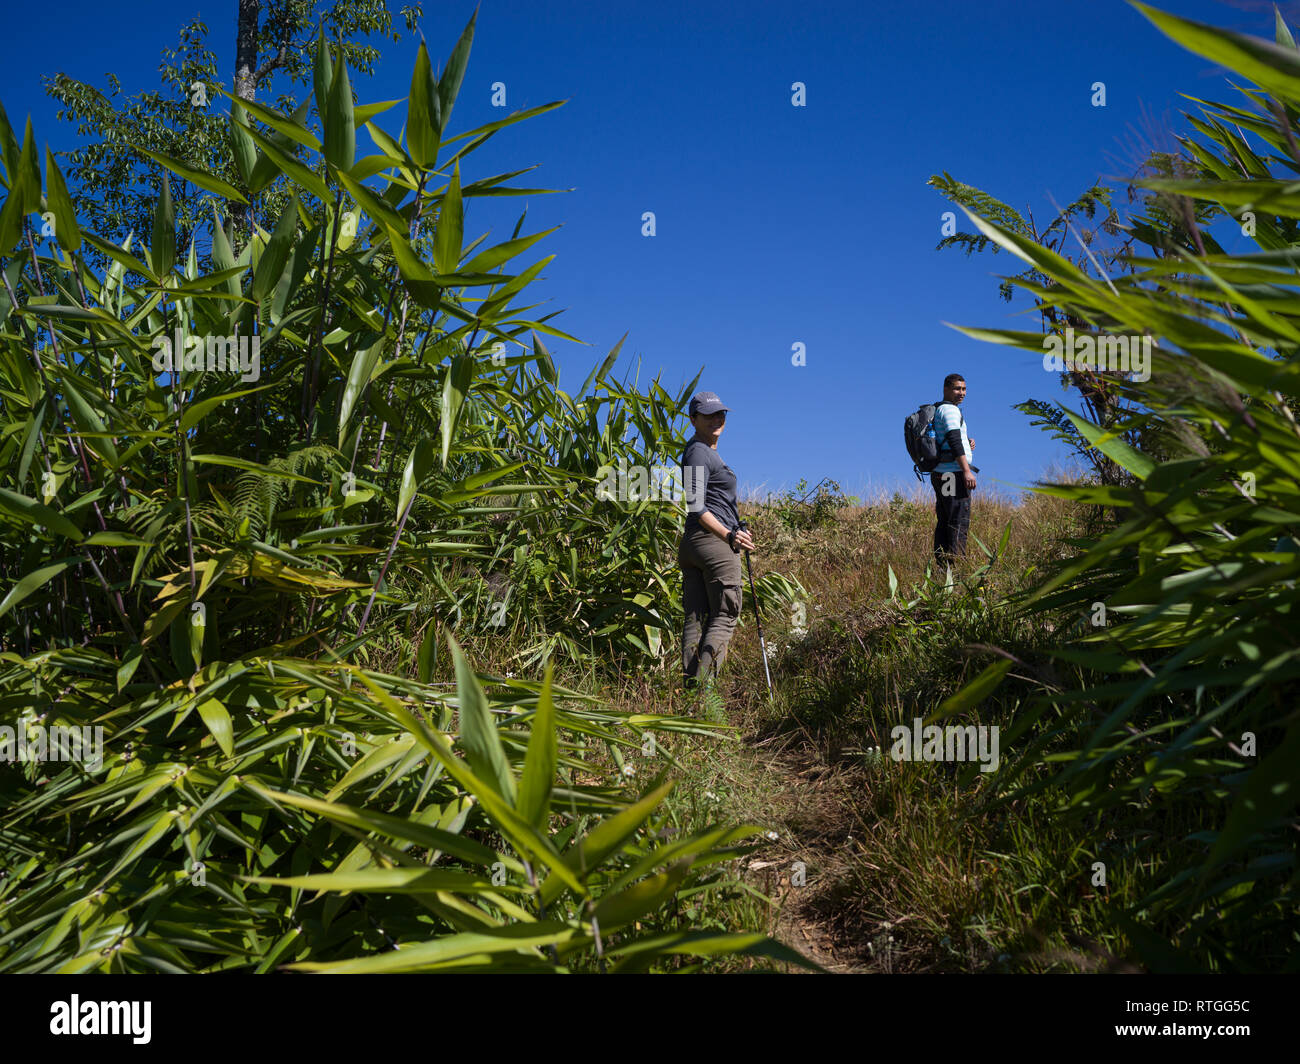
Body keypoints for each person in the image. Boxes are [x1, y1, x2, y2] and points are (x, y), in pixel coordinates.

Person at [678, 391, 755, 697]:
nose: (717, 419)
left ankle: (688, 696)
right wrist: (729, 535)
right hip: (712, 542)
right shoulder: (698, 451)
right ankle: (702, 696)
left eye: (720, 413)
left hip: (694, 546)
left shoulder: (703, 451)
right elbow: (696, 506)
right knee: (725, 614)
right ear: (693, 419)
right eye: (708, 415)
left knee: (695, 618)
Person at [930, 373, 977, 566]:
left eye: (964, 389)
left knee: (946, 519)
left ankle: (943, 568)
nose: (961, 393)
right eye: (957, 389)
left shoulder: (939, 410)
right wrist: (966, 470)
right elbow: (954, 440)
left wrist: (968, 442)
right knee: (958, 520)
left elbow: (952, 440)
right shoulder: (950, 410)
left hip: (942, 473)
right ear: (946, 389)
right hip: (954, 474)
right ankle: (957, 568)